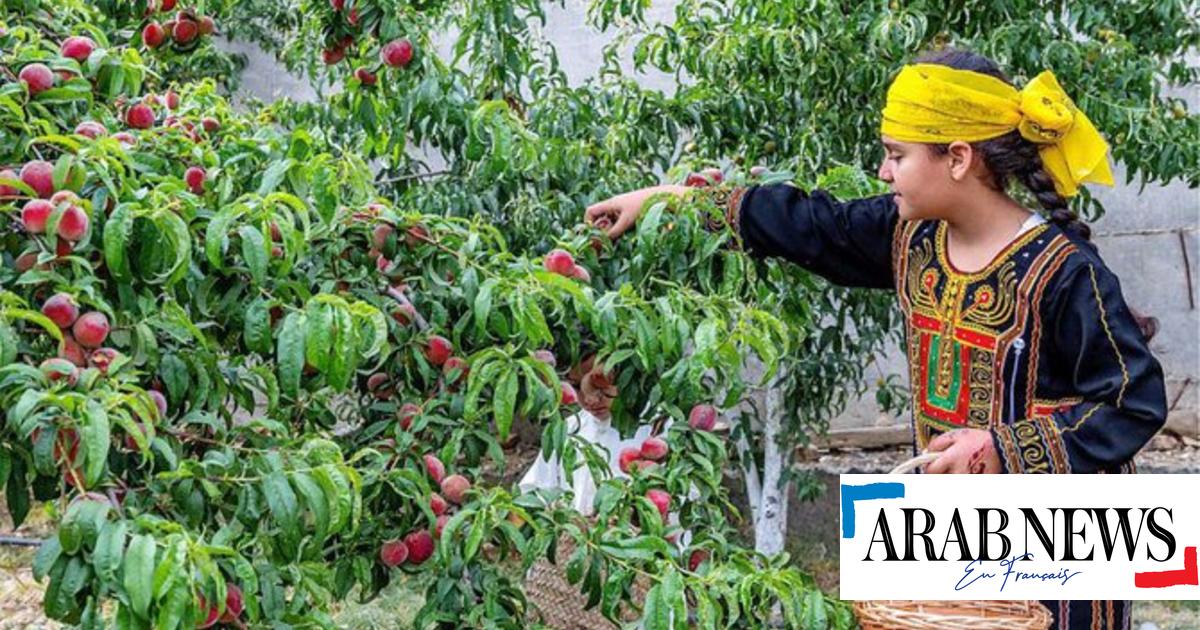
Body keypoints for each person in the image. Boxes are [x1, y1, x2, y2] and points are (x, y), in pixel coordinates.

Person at [584, 48, 1167, 630]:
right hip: (956, 530)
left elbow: (1133, 401)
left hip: (1059, 548)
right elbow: (809, 223)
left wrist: (1000, 447)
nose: (884, 172)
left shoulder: (1064, 273)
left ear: (959, 158)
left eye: (897, 155)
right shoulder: (910, 237)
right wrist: (670, 202)